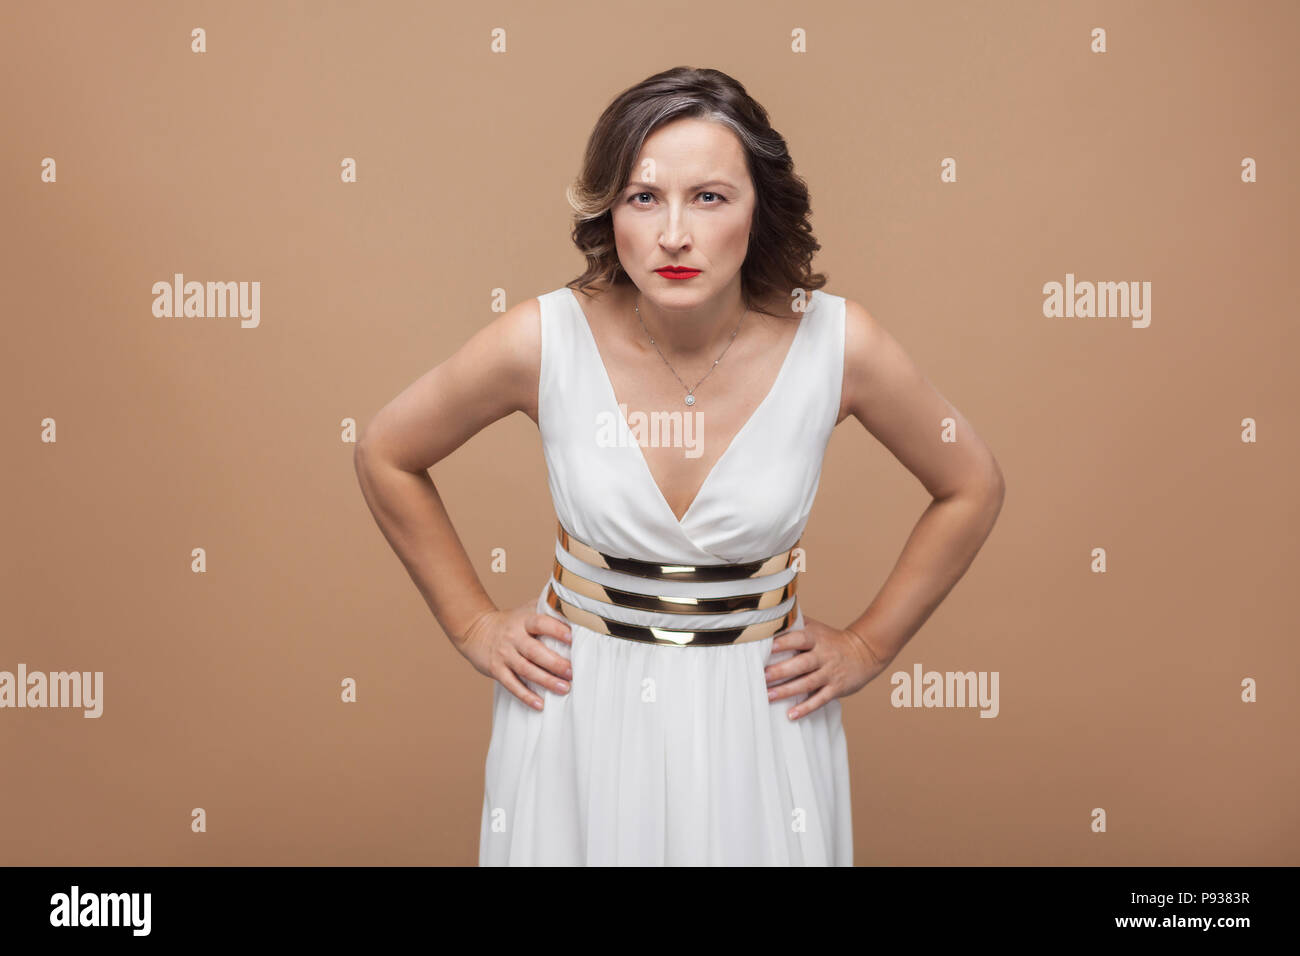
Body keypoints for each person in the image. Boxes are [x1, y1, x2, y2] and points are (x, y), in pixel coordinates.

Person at [353, 66, 1005, 866]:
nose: (673, 235)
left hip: (760, 717)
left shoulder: (837, 344)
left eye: (709, 197)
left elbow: (971, 485)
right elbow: (386, 449)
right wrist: (472, 623)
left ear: (758, 208)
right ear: (609, 212)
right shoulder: (544, 338)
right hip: (576, 709)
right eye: (643, 197)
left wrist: (870, 646)